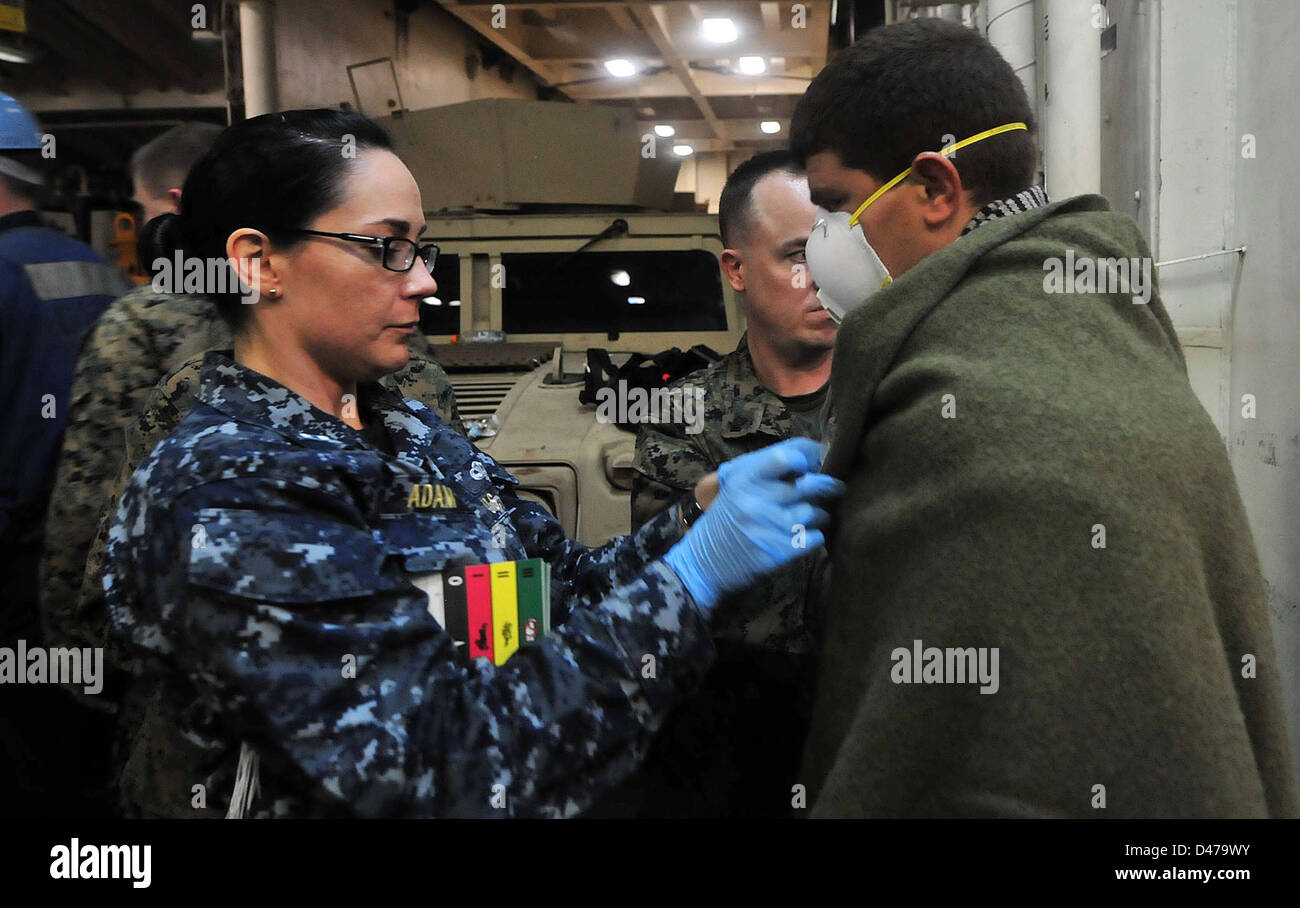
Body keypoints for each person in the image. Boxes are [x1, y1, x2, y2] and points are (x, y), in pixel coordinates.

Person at [103, 109, 844, 818]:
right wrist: (690, 581)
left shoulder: (412, 434)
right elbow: (442, 768)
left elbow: (545, 595)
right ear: (259, 263)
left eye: (420, 248)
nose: (425, 280)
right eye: (386, 247)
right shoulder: (231, 490)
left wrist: (692, 524)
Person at [790, 18, 1297, 817]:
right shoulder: (1097, 326)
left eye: (834, 206)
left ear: (934, 189)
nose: (819, 245)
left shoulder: (961, 414)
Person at [607, 150, 833, 816]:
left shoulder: (899, 394)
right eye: (796, 254)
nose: (822, 276)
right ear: (735, 267)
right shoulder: (684, 421)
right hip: (735, 743)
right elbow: (661, 585)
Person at [0, 91, 131, 814]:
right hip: (98, 572)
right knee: (89, 764)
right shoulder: (99, 270)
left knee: (30, 774)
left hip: (18, 578)